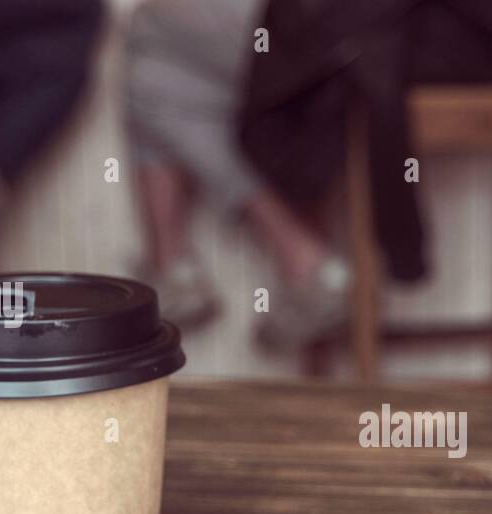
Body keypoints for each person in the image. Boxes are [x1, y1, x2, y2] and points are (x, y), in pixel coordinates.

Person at [125, 0, 352, 345]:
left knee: (146, 35)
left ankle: (172, 267)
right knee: (154, 79)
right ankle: (309, 265)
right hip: (362, 24)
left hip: (352, 25)